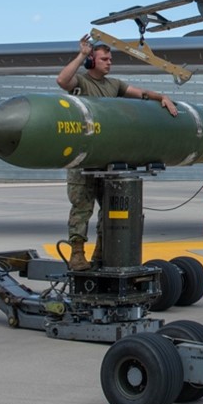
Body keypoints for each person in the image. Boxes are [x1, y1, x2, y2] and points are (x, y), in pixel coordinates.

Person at [56, 34, 178, 270]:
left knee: (110, 210)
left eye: (110, 59)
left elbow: (140, 93)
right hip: (83, 161)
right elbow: (62, 80)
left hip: (106, 160)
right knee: (82, 209)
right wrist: (82, 54)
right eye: (104, 59)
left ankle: (101, 252)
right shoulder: (81, 82)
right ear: (92, 62)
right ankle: (77, 254)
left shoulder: (115, 85)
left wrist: (161, 97)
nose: (109, 63)